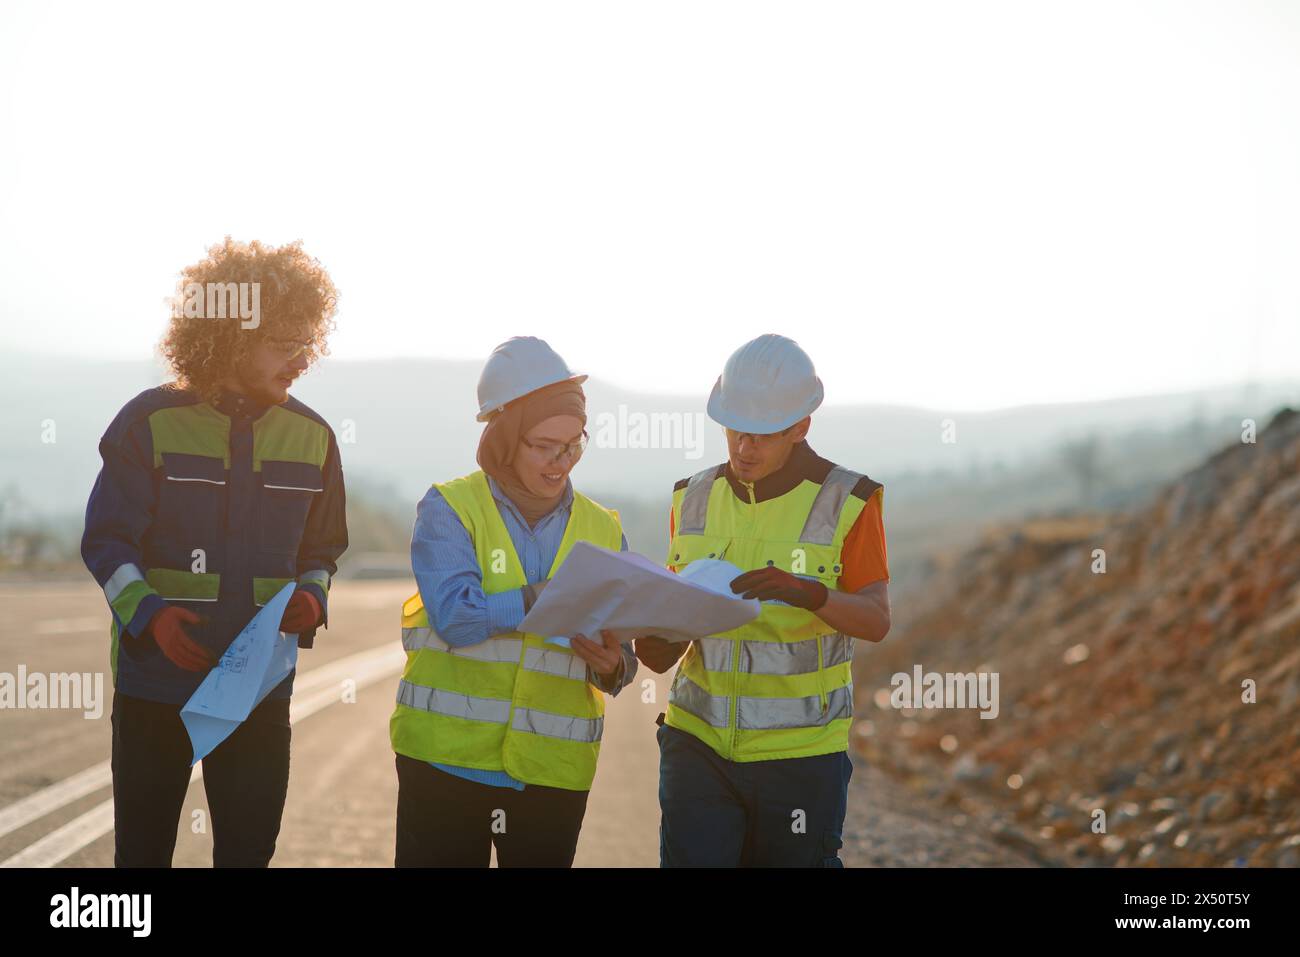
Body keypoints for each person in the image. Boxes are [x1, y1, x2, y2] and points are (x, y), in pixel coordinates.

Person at [81, 237, 348, 867]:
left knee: (247, 854)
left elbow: (324, 549)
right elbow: (106, 540)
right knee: (140, 860)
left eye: (307, 342)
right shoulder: (147, 423)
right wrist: (150, 616)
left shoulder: (315, 438)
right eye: (285, 344)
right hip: (155, 683)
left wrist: (313, 594)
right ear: (230, 335)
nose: (301, 360)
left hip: (257, 687)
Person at [635, 333, 891, 867]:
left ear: (800, 427)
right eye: (735, 431)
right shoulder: (692, 497)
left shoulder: (850, 501)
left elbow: (875, 620)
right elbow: (657, 654)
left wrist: (810, 594)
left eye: (762, 435)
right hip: (696, 746)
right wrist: (658, 631)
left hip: (799, 760)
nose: (743, 449)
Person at [391, 336, 638, 867]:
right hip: (444, 765)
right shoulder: (449, 509)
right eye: (543, 446)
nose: (560, 463)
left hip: (553, 774)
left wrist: (613, 664)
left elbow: (624, 659)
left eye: (573, 445)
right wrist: (538, 599)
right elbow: (456, 618)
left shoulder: (603, 529)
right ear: (504, 440)